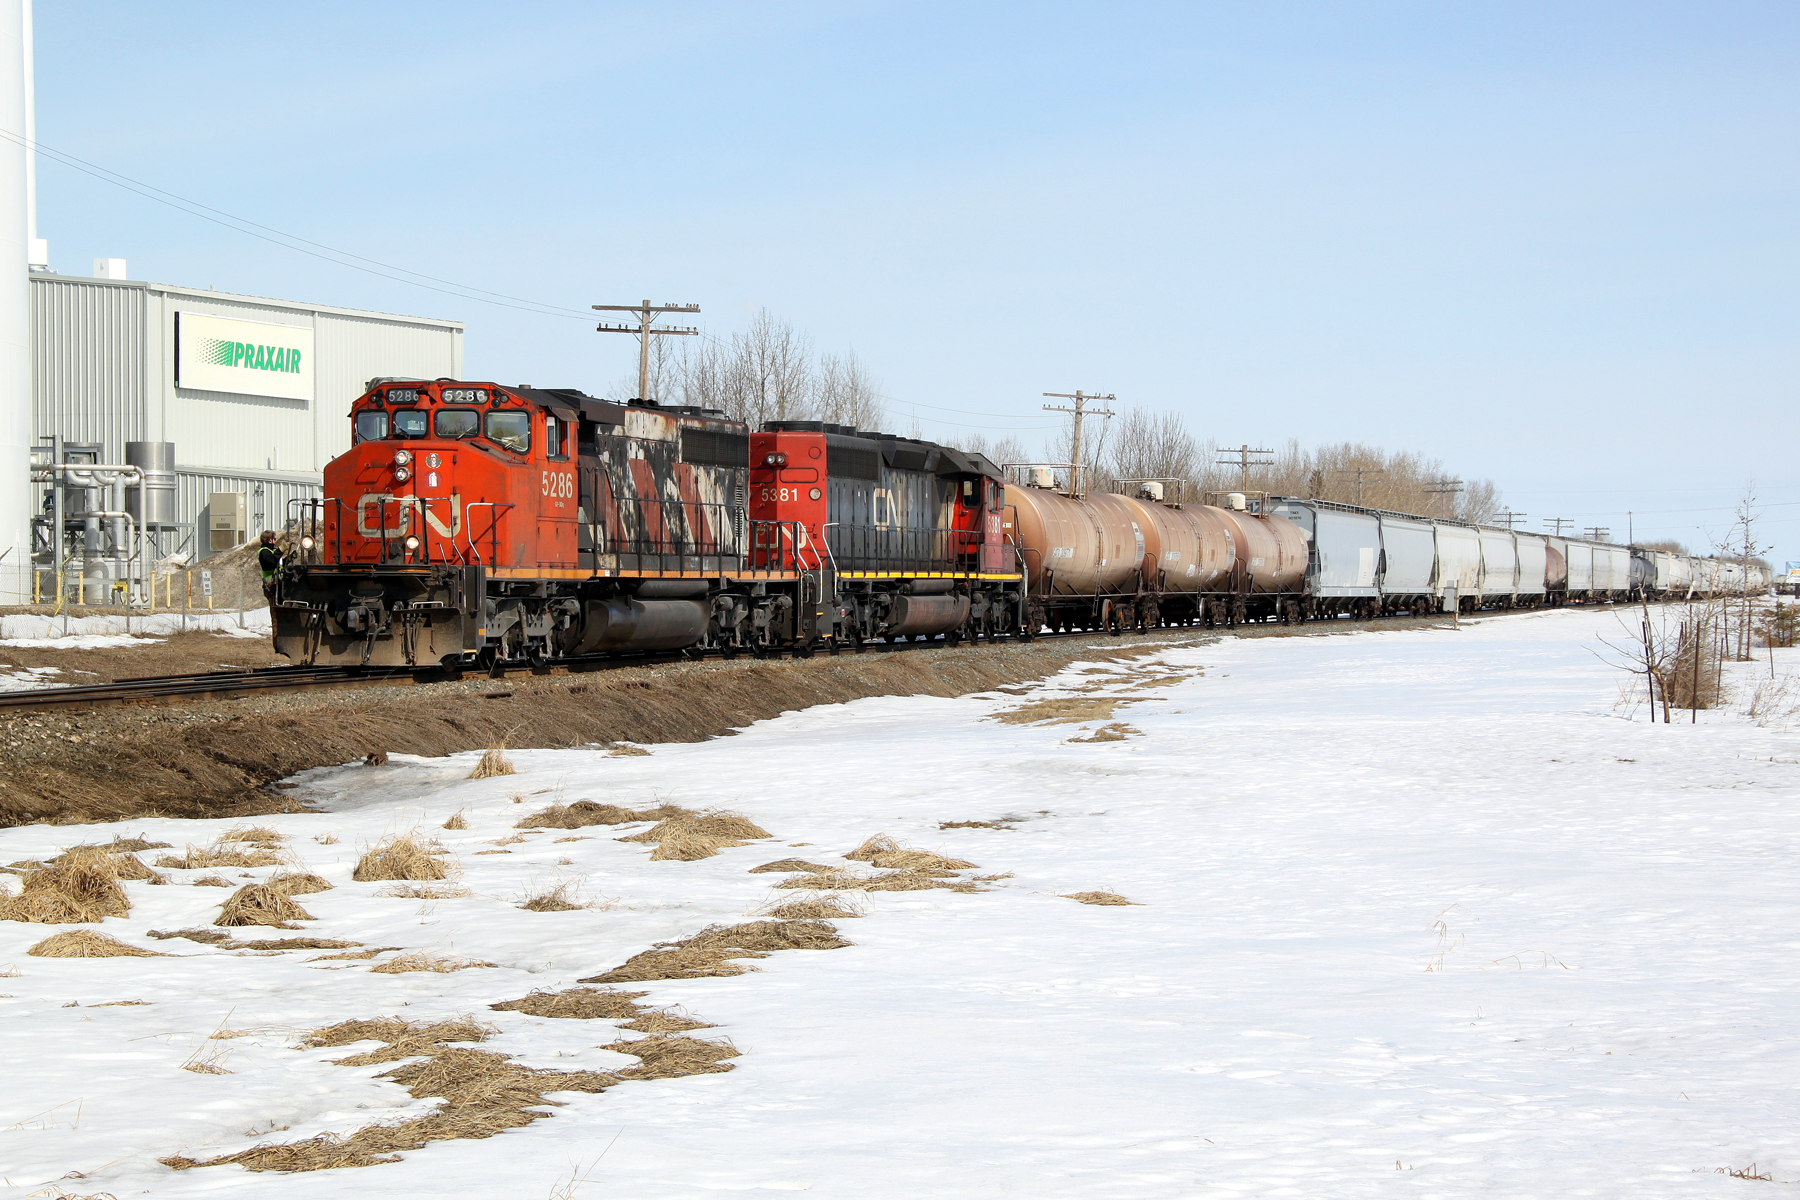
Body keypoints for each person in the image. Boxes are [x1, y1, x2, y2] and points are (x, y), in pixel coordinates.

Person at [257, 531, 283, 602]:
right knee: (275, 610)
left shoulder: (270, 551)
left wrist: (289, 559)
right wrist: (280, 551)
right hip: (271, 586)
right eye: (274, 539)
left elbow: (277, 563)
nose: (275, 541)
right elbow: (272, 562)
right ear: (270, 540)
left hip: (276, 585)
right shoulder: (264, 552)